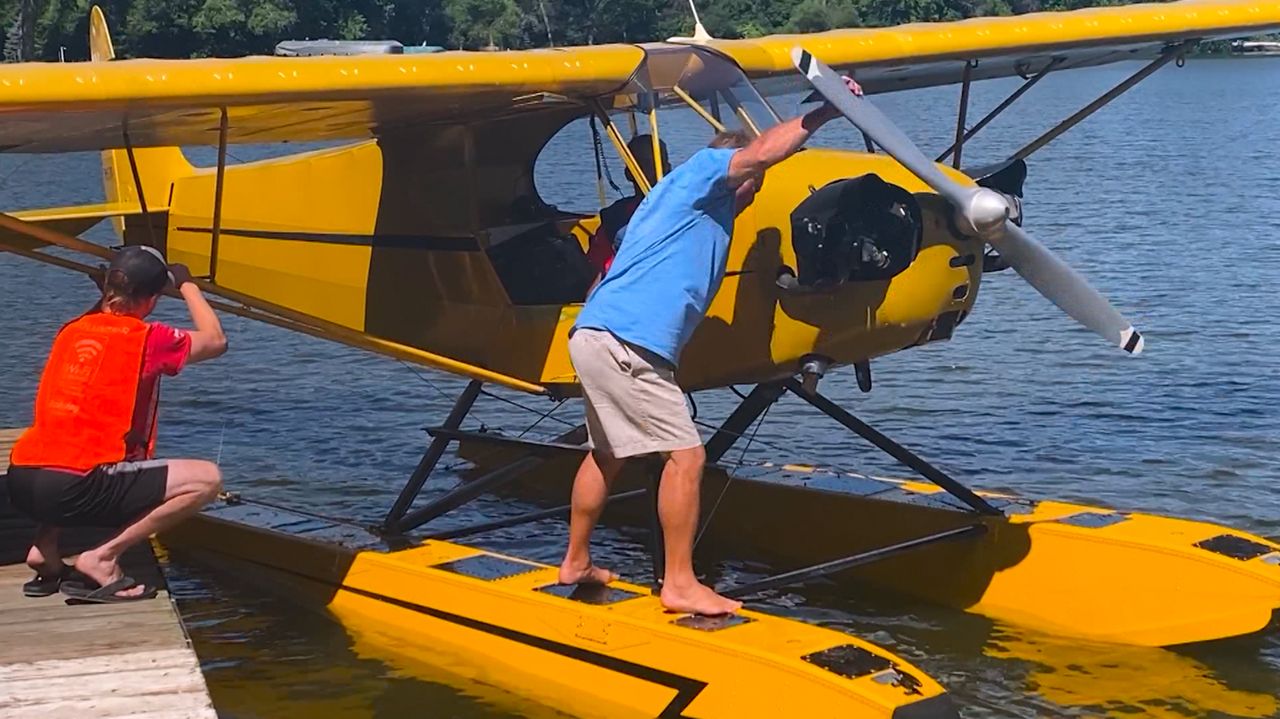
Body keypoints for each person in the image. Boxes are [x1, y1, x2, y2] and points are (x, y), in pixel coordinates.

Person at [559, 77, 863, 616]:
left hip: (597, 334)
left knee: (607, 453)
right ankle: (678, 583)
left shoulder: (674, 209)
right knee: (686, 456)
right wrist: (825, 113)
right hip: (628, 342)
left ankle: (576, 561)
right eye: (752, 183)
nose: (754, 193)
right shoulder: (702, 173)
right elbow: (760, 152)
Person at [7, 245, 228, 602]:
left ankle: (44, 548)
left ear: (109, 289)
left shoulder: (72, 330)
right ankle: (103, 558)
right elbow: (216, 340)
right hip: (73, 487)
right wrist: (187, 283)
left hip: (21, 481)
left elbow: (109, 312)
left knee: (74, 443)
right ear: (152, 299)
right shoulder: (147, 339)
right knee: (207, 479)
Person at [584, 134, 671, 283]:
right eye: (643, 165)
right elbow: (598, 268)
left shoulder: (683, 212)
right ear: (628, 173)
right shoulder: (615, 217)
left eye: (654, 164)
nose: (650, 170)